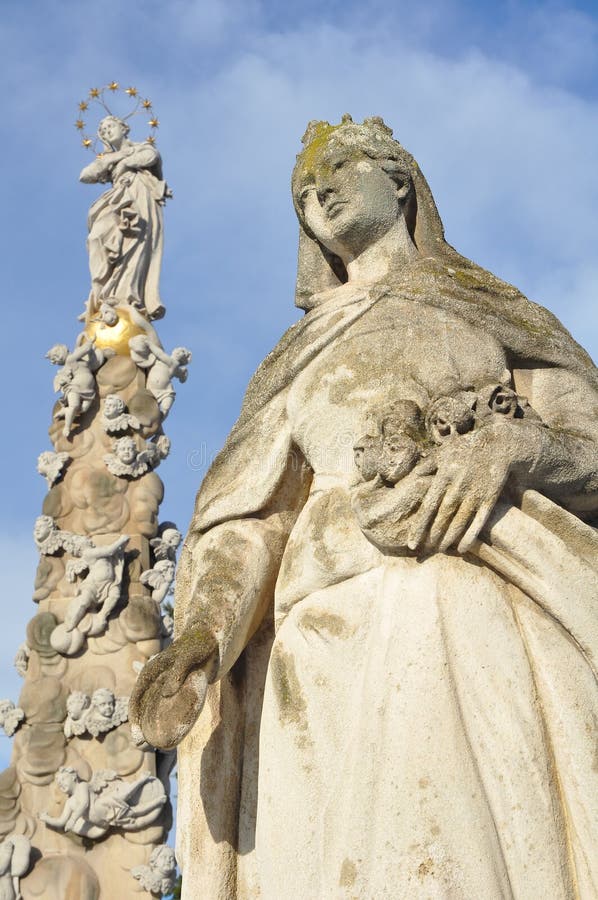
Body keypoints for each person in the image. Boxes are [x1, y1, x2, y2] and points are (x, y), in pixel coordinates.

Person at [130, 116, 598, 898]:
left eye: (341, 167)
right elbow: (250, 516)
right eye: (304, 192)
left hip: (466, 583)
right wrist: (205, 634)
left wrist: (515, 450)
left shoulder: (486, 313)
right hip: (319, 626)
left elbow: (589, 444)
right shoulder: (298, 357)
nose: (320, 191)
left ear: (402, 180)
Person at [79, 115, 170, 321]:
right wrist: (112, 159)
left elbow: (150, 156)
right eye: (102, 130)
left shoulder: (141, 147)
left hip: (139, 196)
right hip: (117, 197)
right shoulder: (107, 158)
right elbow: (85, 175)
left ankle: (127, 294)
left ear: (123, 127)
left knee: (135, 243)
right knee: (96, 238)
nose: (106, 131)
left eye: (110, 126)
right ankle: (102, 294)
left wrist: (126, 160)